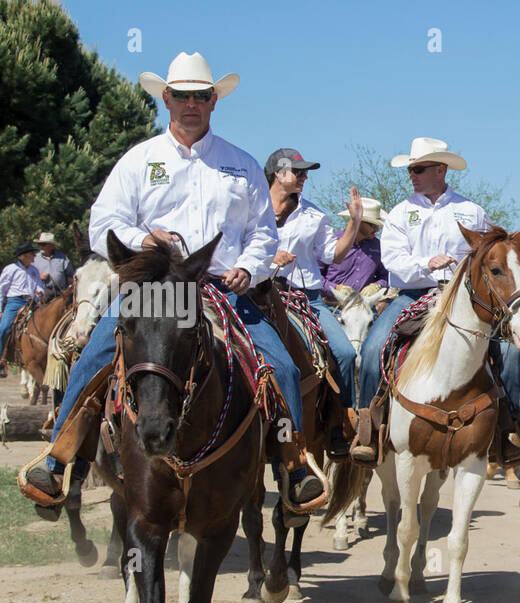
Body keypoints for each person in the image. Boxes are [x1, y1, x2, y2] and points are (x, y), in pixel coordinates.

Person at [23, 51, 323, 512]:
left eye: (200, 96)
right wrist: (143, 238)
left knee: (281, 367)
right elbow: (104, 221)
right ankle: (60, 458)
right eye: (181, 95)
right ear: (166, 98)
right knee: (96, 352)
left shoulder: (241, 165)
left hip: (224, 290)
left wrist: (249, 266)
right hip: (155, 289)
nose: (191, 104)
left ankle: (292, 463)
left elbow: (264, 232)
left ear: (213, 102)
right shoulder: (139, 160)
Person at [352, 136, 520, 464]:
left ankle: (507, 429)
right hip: (410, 295)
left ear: (440, 170)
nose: (411, 175)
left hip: (459, 300)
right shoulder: (401, 213)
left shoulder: (471, 212)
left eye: (418, 168)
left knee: (503, 353)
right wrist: (425, 265)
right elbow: (392, 260)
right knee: (372, 349)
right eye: (411, 169)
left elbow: (489, 257)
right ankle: (368, 431)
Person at [265, 147, 365, 457]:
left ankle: (340, 425)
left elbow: (332, 255)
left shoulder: (314, 215)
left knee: (346, 354)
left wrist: (355, 223)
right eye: (298, 172)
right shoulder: (250, 209)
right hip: (260, 296)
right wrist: (270, 259)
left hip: (305, 298)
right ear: (278, 173)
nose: (304, 177)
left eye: (305, 172)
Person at [320, 196, 390, 306]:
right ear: (359, 221)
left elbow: (387, 276)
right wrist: (335, 288)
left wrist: (377, 285)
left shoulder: (379, 247)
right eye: (373, 225)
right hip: (330, 305)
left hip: (363, 307)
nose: (376, 229)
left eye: (378, 226)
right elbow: (314, 275)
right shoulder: (331, 242)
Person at [0, 241, 45, 376]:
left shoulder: (34, 270)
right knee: (4, 328)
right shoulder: (10, 269)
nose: (34, 257)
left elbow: (39, 286)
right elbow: (0, 290)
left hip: (32, 302)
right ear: (23, 256)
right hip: (14, 302)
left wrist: (40, 292)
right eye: (32, 254)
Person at [34, 232, 74, 302]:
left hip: (61, 293)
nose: (41, 246)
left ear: (51, 245)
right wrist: (39, 276)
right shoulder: (34, 259)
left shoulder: (62, 258)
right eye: (40, 244)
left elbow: (70, 277)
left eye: (43, 244)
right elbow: (28, 277)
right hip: (42, 293)